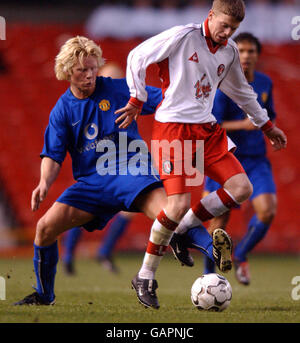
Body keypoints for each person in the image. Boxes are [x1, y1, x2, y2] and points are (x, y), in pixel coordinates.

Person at [14, 36, 229, 307]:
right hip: (93, 183)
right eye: (82, 70)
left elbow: (166, 101)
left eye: (93, 68)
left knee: (169, 213)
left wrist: (195, 94)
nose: (90, 75)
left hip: (132, 170)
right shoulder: (62, 110)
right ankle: (44, 296)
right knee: (45, 228)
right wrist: (44, 182)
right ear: (68, 71)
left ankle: (213, 249)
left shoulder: (120, 89)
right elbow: (53, 155)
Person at [115, 0, 287, 309]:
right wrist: (137, 98)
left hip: (206, 131)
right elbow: (137, 56)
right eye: (224, 25)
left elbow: (242, 92)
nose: (227, 32)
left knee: (241, 188)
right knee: (177, 205)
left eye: (234, 29)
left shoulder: (230, 50)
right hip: (174, 129)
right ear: (210, 15)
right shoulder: (183, 36)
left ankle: (181, 232)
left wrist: (267, 125)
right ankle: (145, 275)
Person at [202, 32, 278, 285]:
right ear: (234, 54)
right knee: (218, 222)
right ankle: (207, 277)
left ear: (257, 55)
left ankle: (242, 254)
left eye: (251, 51)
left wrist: (270, 129)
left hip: (256, 160)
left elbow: (271, 114)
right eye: (241, 51)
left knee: (267, 211)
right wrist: (243, 125)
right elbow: (214, 123)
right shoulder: (224, 85)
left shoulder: (265, 82)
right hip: (225, 159)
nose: (246, 56)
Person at [62, 62, 134, 275]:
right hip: (96, 166)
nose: (114, 82)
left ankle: (105, 251)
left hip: (119, 164)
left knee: (129, 210)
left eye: (117, 78)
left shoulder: (122, 102)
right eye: (110, 77)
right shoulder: (89, 104)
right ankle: (68, 256)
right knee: (84, 213)